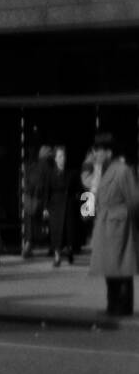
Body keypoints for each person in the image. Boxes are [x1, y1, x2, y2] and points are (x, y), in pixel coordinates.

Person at [88, 134, 138, 316]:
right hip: (106, 223)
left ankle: (123, 306)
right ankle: (113, 304)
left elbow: (133, 199)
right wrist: (87, 211)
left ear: (109, 152)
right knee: (110, 268)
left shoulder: (122, 170)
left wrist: (124, 216)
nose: (95, 155)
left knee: (122, 267)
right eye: (94, 151)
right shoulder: (100, 171)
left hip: (119, 226)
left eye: (98, 151)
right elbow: (90, 201)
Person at [44, 145, 79, 266]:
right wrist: (45, 208)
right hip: (55, 207)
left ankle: (69, 250)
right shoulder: (50, 174)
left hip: (69, 206)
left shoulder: (72, 173)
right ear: (55, 158)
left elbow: (78, 191)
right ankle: (57, 256)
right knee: (56, 232)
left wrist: (84, 208)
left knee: (69, 231)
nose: (62, 158)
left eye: (64, 156)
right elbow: (46, 191)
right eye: (60, 156)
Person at [23, 145, 53, 257]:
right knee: (51, 223)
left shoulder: (32, 166)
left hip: (30, 199)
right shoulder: (49, 167)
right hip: (43, 200)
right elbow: (49, 186)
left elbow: (26, 182)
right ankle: (52, 246)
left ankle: (28, 245)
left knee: (30, 223)